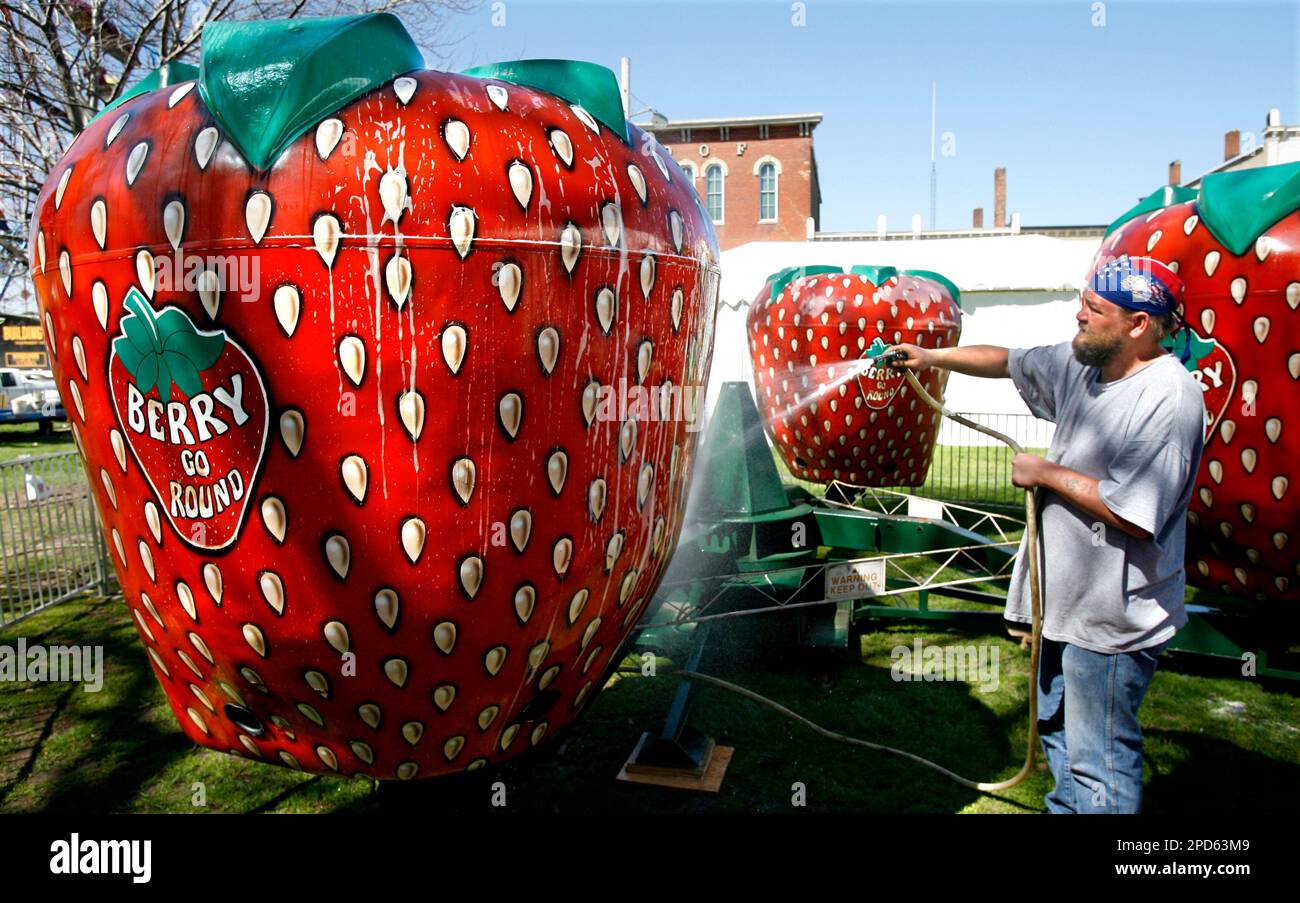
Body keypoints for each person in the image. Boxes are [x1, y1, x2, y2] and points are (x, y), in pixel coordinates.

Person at [884, 256, 1205, 814]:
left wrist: (1045, 473)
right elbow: (1008, 361)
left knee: (1099, 763)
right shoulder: (1087, 362)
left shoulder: (1169, 400)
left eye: (1095, 308)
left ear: (1139, 325)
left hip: (1111, 621)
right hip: (1061, 604)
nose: (1078, 315)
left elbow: (1135, 511)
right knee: (1057, 740)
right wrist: (931, 357)